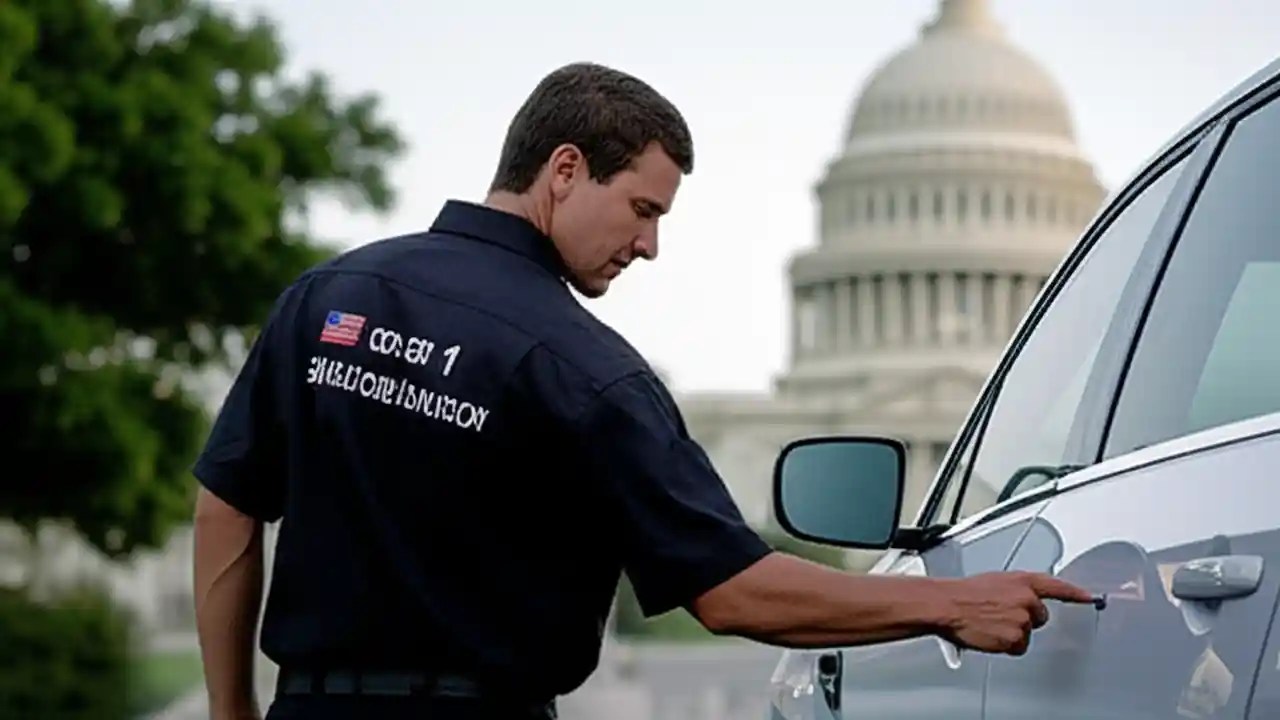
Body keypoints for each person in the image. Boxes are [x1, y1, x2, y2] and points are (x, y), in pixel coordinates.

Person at [191, 61, 1094, 720]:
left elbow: (226, 509)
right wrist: (948, 602)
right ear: (567, 169)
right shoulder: (587, 373)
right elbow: (735, 593)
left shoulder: (329, 298)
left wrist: (232, 708)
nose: (651, 247)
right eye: (644, 210)